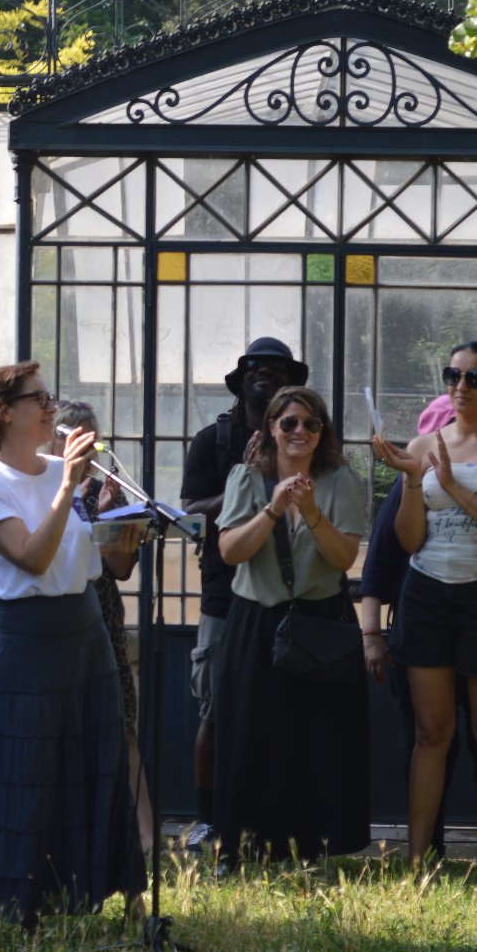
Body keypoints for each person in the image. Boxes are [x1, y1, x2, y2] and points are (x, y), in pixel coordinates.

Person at [0, 361, 146, 930]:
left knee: (97, 760)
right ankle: (16, 906)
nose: (52, 407)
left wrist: (122, 539)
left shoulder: (64, 471)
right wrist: (65, 486)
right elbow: (31, 556)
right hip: (27, 638)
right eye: (40, 398)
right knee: (23, 768)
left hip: (85, 632)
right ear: (5, 412)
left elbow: (92, 559)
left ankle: (116, 897)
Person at [372, 341, 477, 873]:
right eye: (454, 375)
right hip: (428, 593)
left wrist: (450, 485)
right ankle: (418, 859)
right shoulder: (425, 443)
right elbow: (408, 538)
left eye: (474, 377)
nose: (461, 386)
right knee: (430, 731)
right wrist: (409, 478)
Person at [212, 385, 368, 869]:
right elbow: (230, 552)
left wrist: (313, 512)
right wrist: (274, 508)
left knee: (318, 737)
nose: (299, 432)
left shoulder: (340, 479)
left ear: (323, 433)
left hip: (320, 622)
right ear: (271, 430)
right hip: (258, 621)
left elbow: (344, 558)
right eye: (289, 423)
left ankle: (314, 848)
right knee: (250, 735)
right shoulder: (246, 477)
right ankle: (242, 847)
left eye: (311, 424)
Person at [177, 337, 307, 852]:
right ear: (240, 379)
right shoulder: (215, 440)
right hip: (225, 592)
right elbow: (189, 505)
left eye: (276, 368)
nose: (264, 373)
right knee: (215, 710)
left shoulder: (302, 436)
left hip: (289, 592)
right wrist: (246, 484)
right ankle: (210, 818)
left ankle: (274, 825)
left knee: (280, 712)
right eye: (254, 366)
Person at [357, 394, 475, 861]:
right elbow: (379, 566)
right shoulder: (406, 491)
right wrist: (371, 635)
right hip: (420, 632)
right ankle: (427, 847)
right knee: (427, 739)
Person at [52, 399, 154, 854]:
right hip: (55, 614)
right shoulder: (37, 488)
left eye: (92, 439)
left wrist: (113, 520)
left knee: (121, 725)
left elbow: (123, 568)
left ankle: (145, 838)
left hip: (102, 611)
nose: (86, 448)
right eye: (75, 436)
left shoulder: (107, 489)